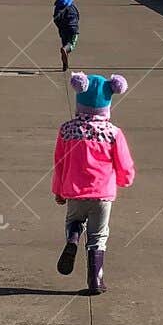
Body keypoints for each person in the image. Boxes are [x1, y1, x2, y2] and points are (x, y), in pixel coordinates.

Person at [52, 72, 134, 295]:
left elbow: (59, 162)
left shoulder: (67, 130)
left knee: (74, 220)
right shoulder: (112, 133)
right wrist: (125, 179)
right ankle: (95, 280)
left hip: (74, 191)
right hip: (102, 194)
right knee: (98, 236)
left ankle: (73, 238)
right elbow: (124, 162)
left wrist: (58, 190)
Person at [52, 0, 79, 72]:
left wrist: (59, 26)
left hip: (63, 29)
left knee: (64, 43)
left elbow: (56, 18)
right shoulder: (71, 4)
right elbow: (77, 15)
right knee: (70, 44)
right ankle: (65, 50)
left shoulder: (58, 5)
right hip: (72, 28)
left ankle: (65, 65)